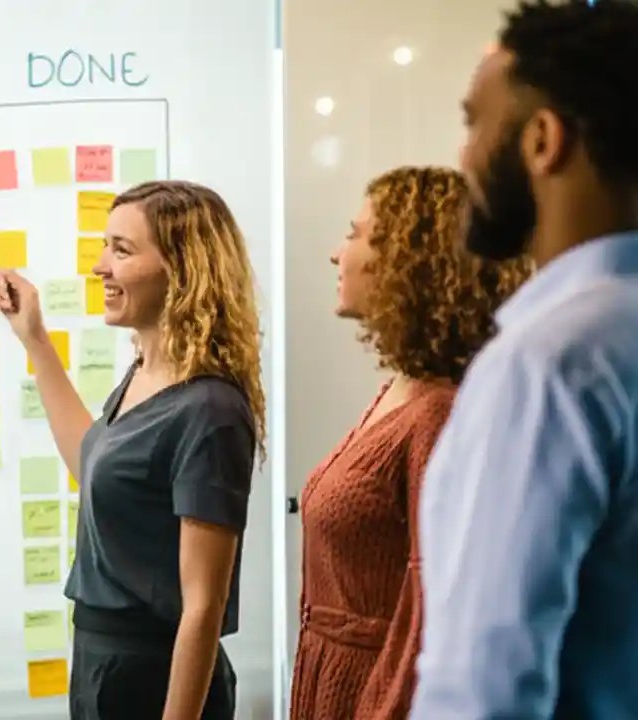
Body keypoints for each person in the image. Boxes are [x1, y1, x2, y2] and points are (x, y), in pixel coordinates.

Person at [412, 2, 638, 718]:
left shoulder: (551, 364)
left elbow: (485, 689)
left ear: (544, 140)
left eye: (475, 122)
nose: (464, 155)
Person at [0, 180, 264, 719]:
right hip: (103, 662)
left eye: (121, 249)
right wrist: (35, 340)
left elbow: (203, 607)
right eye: (104, 246)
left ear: (183, 270)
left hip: (154, 678)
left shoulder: (208, 410)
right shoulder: (144, 375)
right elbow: (90, 463)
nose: (100, 266)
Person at [289, 167, 531, 719]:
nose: (336, 254)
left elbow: (433, 619)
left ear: (408, 260)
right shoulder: (399, 394)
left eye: (354, 234)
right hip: (335, 683)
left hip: (379, 697)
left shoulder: (438, 416)